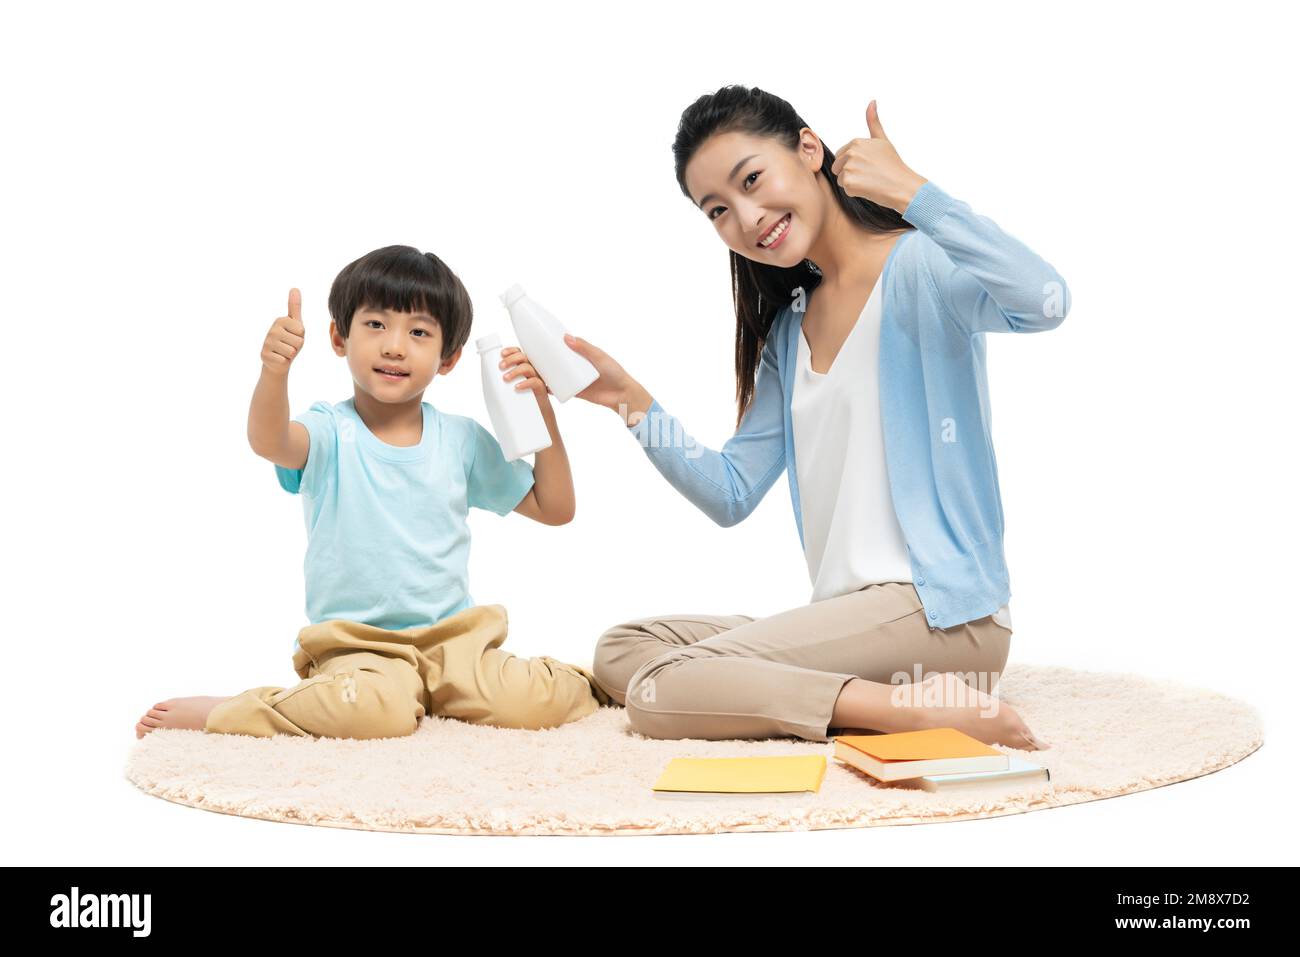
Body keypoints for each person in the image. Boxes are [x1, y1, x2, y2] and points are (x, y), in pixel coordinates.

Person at [565, 87, 1066, 750]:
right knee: (626, 651)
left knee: (664, 689)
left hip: (945, 620)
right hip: (850, 615)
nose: (746, 217)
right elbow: (731, 492)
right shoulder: (789, 329)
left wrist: (914, 192)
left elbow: (1044, 301)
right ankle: (869, 695)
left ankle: (908, 708)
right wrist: (630, 399)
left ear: (808, 150)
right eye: (719, 209)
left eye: (752, 179)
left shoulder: (920, 268)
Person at [134, 245, 609, 740]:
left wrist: (541, 409)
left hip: (456, 641)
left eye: (419, 332)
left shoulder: (461, 438)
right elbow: (268, 441)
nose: (395, 347)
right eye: (376, 325)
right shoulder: (328, 431)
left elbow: (555, 509)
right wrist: (275, 371)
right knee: (372, 714)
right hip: (358, 646)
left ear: (448, 359)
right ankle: (241, 709)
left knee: (534, 702)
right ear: (340, 337)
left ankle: (595, 681)